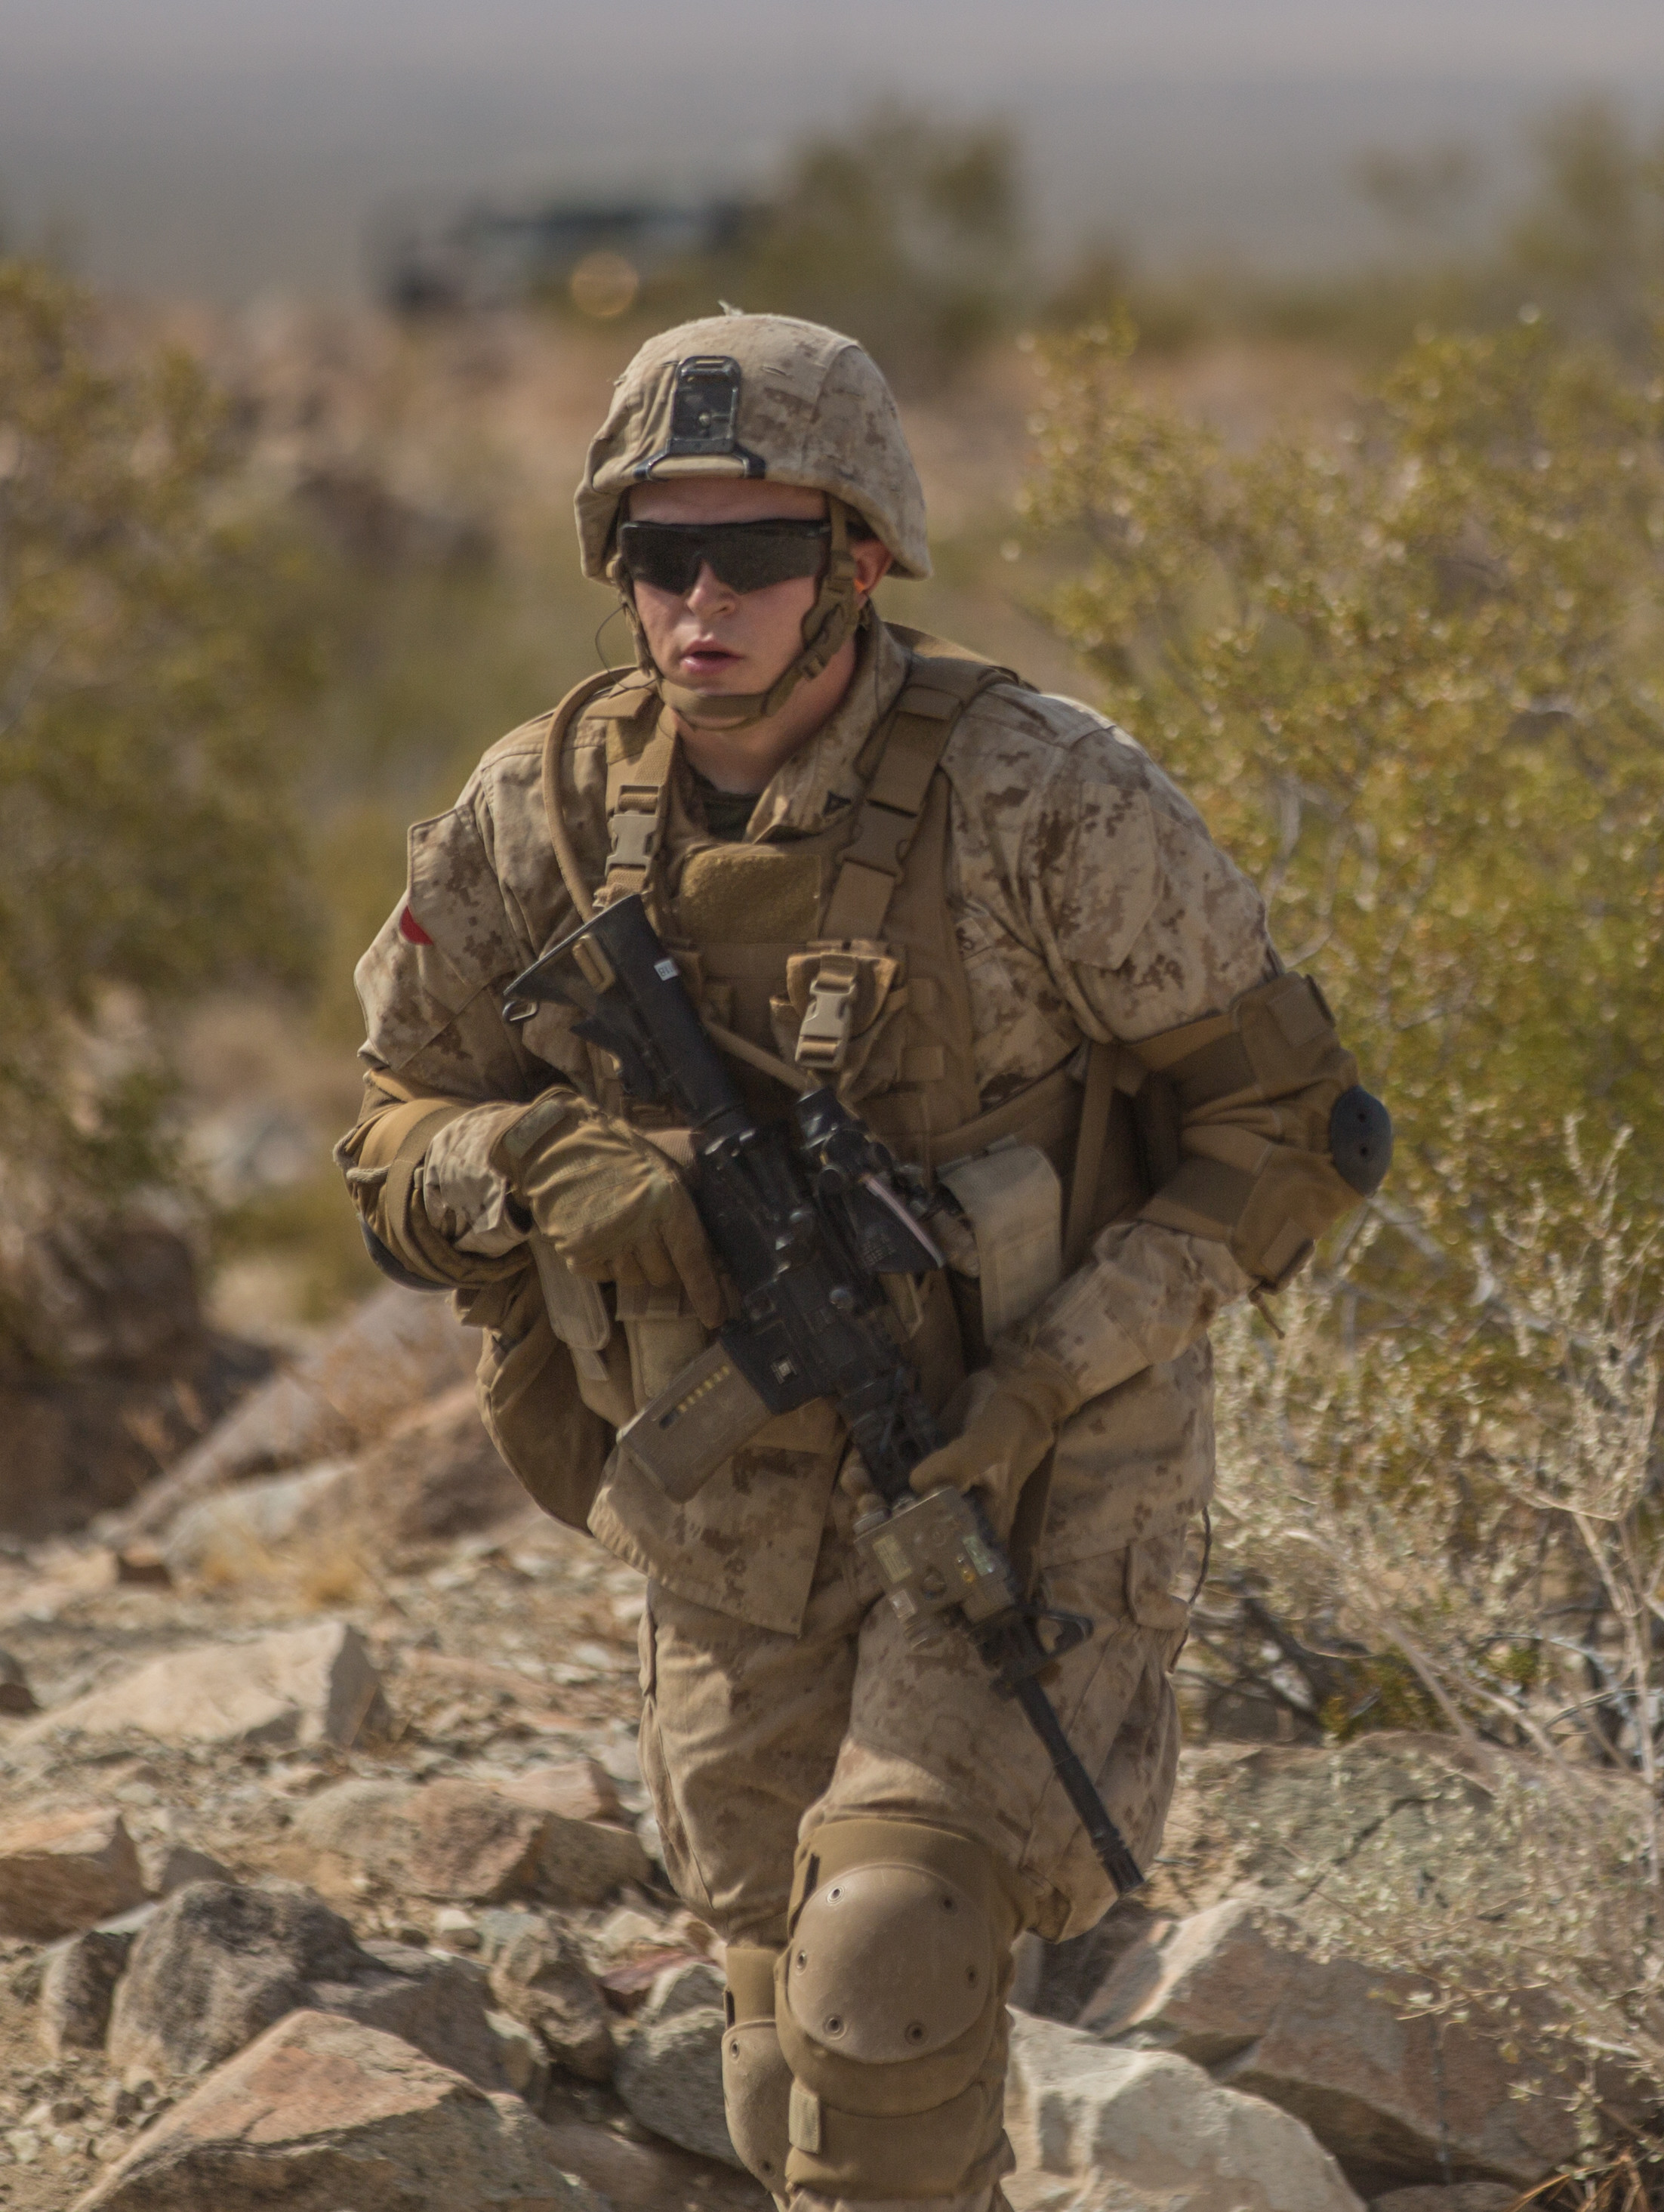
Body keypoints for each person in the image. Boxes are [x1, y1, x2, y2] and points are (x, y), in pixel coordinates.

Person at [337, 313, 1379, 2210]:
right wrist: (531, 1163)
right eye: (662, 557)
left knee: (890, 1958)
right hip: (728, 1501)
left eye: (758, 554)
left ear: (862, 559)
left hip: (1017, 1474)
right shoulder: (539, 813)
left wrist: (1048, 1379)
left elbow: (1295, 1135)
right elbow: (391, 1134)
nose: (702, 603)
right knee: (775, 2049)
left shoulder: (1044, 796)